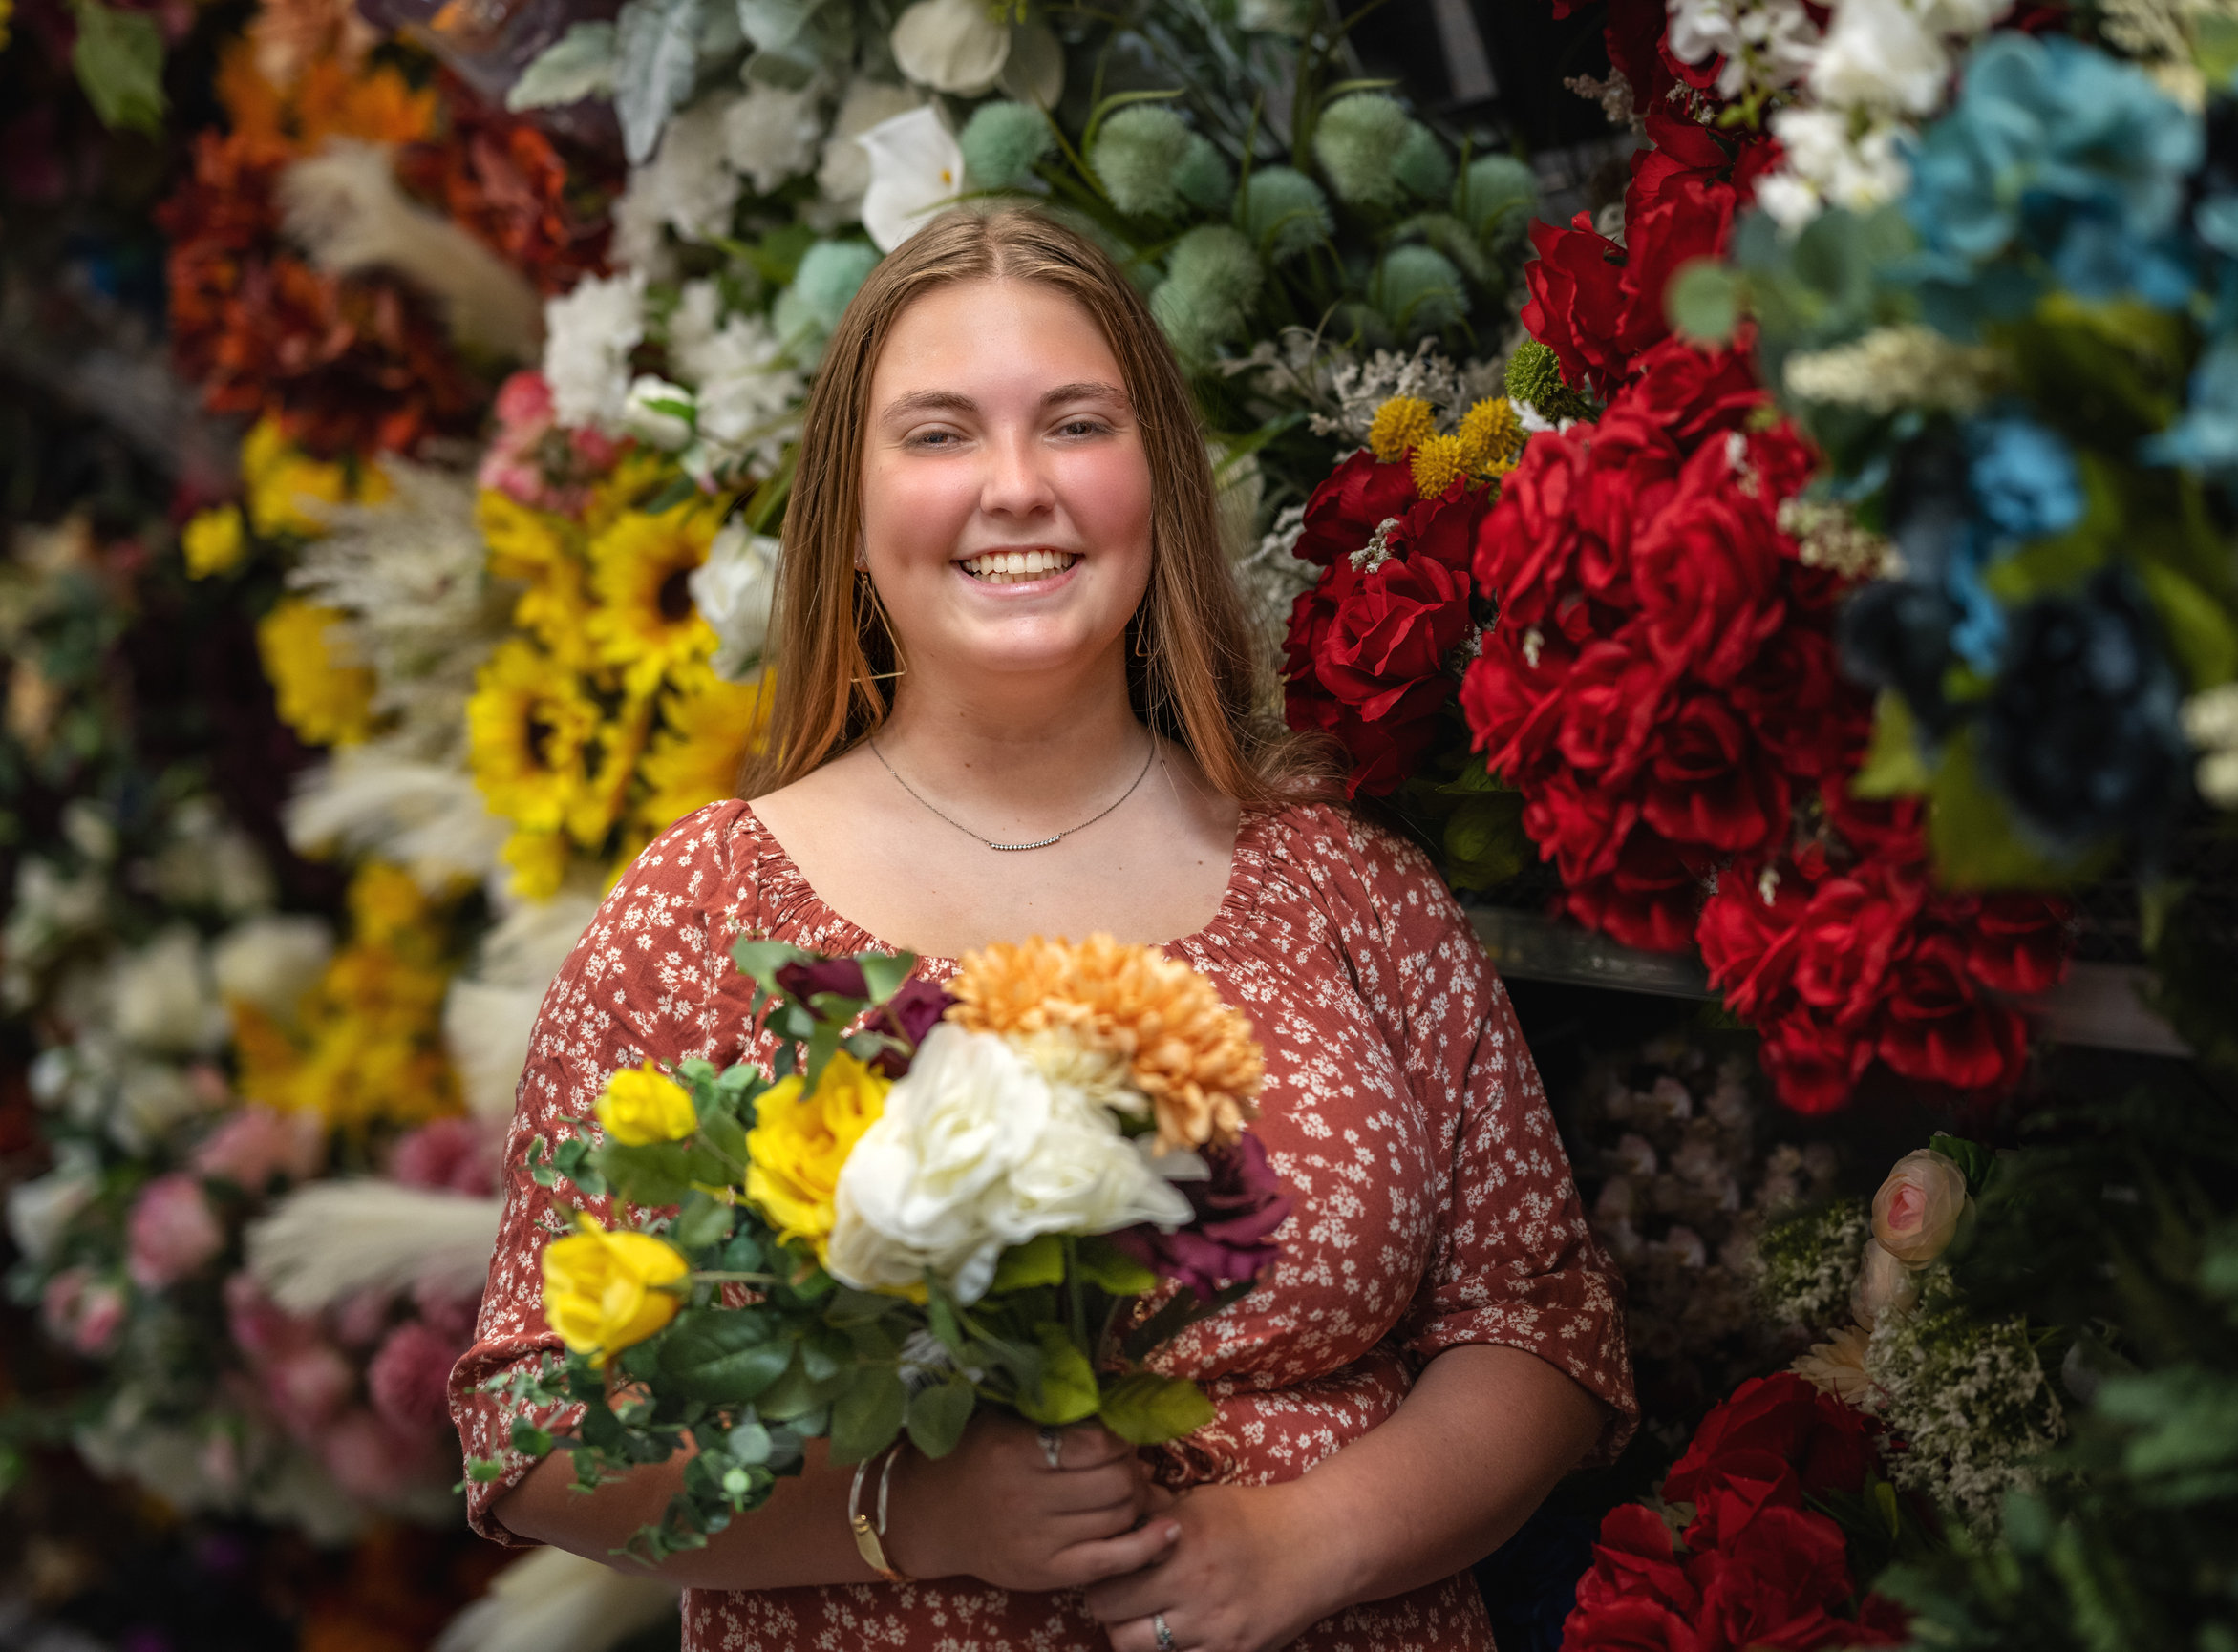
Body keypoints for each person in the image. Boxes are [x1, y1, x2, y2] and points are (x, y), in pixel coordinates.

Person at [449, 206, 1635, 1652]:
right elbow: (535, 1428)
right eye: (939, 434)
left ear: (1156, 479)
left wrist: (1302, 1542)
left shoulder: (1345, 886)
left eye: (1076, 423)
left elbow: (1541, 1327)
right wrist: (906, 1511)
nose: (1017, 487)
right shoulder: (707, 912)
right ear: (854, 503)